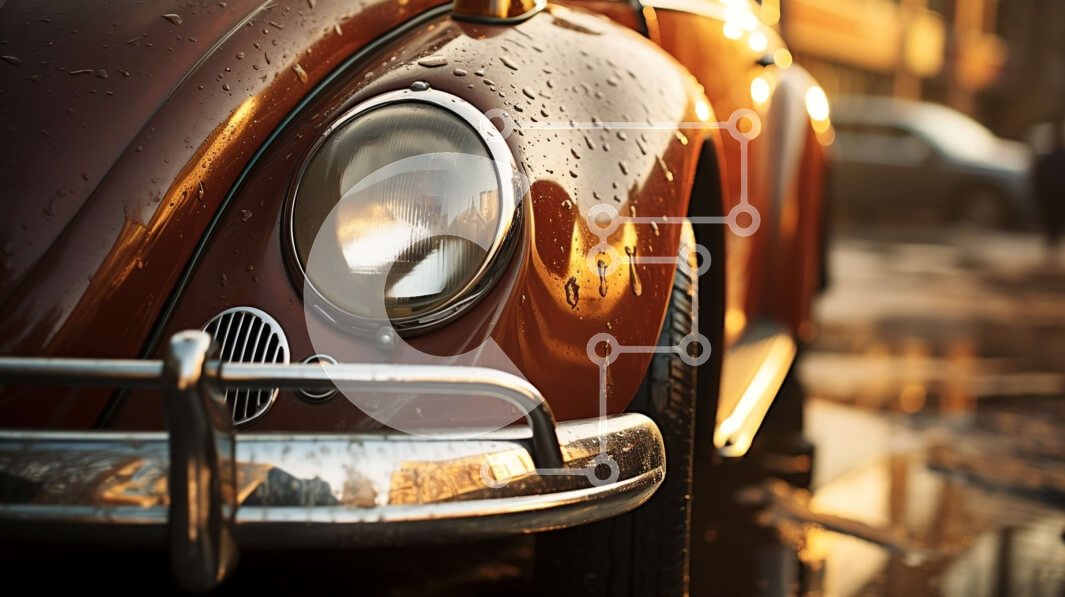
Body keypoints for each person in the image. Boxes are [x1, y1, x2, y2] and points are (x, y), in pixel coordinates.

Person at [1033, 119, 1065, 265]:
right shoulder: (1047, 158)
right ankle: (1051, 257)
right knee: (1052, 227)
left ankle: (1051, 256)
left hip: (1053, 196)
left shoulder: (1048, 158)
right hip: (1050, 195)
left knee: (1053, 227)